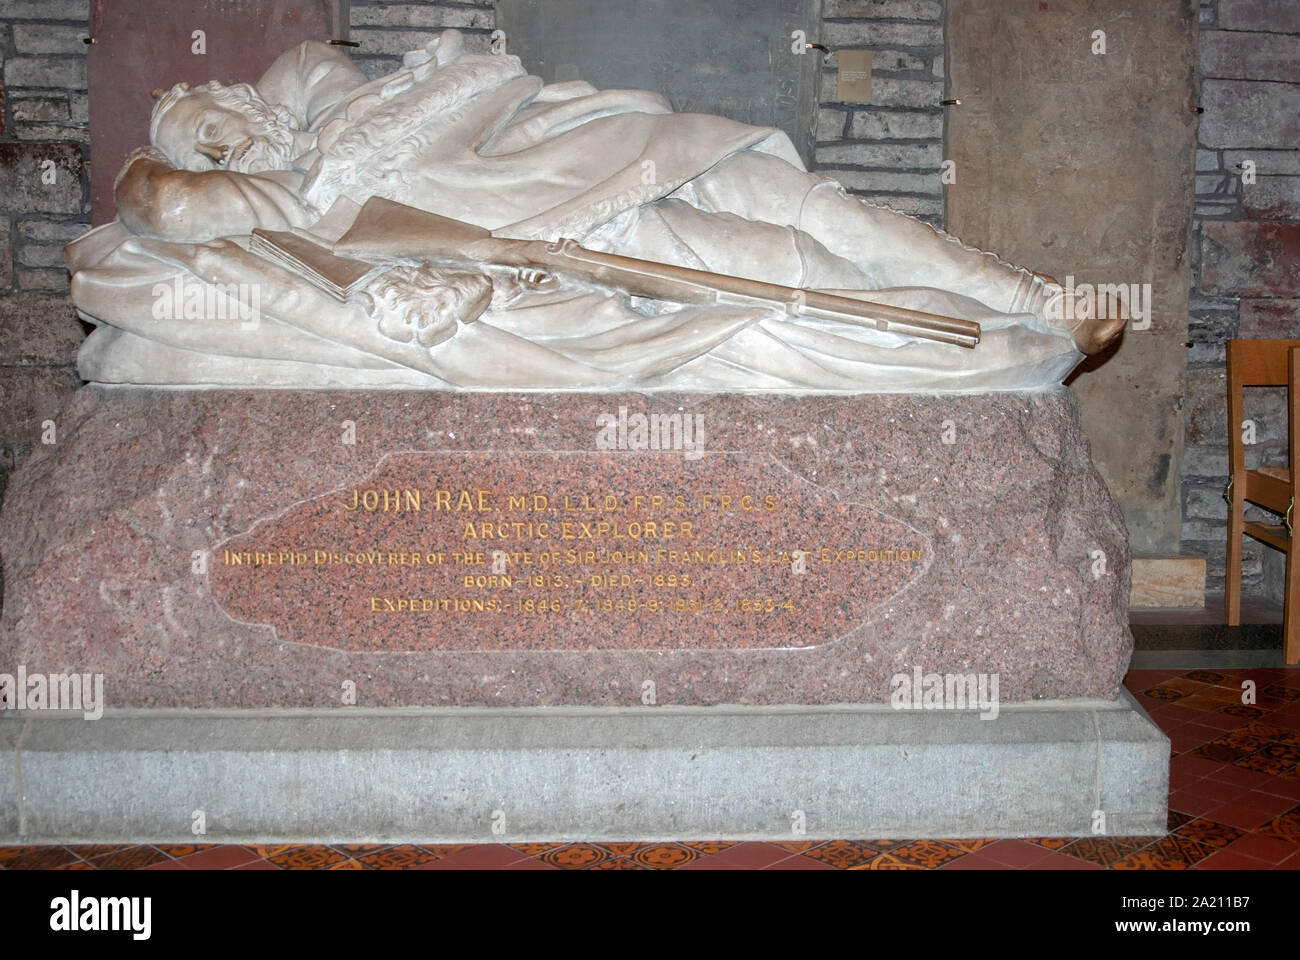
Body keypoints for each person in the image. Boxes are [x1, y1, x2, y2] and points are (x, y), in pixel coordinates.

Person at [113, 30, 1122, 359]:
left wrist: (326, 148)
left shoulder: (316, 93)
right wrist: (226, 178)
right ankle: (984, 344)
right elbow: (155, 204)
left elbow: (478, 73)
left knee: (823, 208)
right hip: (571, 235)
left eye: (209, 123)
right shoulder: (289, 202)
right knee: (787, 269)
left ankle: (1031, 298)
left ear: (223, 90)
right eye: (210, 154)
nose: (224, 147)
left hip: (591, 144)